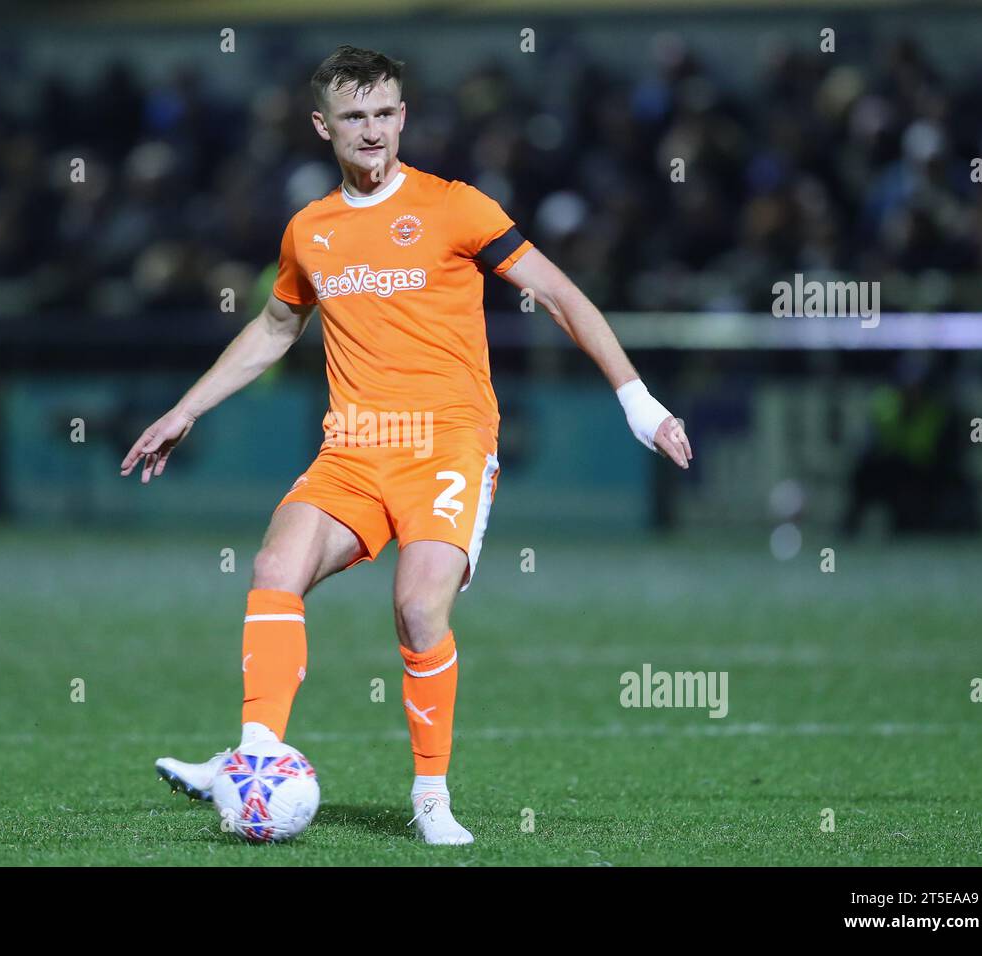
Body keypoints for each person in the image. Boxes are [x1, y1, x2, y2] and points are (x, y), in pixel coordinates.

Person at [120, 45, 693, 845]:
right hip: (353, 446)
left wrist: (639, 402)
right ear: (323, 125)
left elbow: (561, 295)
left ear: (403, 116)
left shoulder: (457, 208)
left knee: (419, 609)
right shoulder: (309, 230)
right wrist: (187, 409)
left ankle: (430, 798)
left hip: (449, 443)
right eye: (355, 116)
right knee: (273, 568)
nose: (373, 130)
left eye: (386, 112)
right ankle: (252, 756)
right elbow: (276, 328)